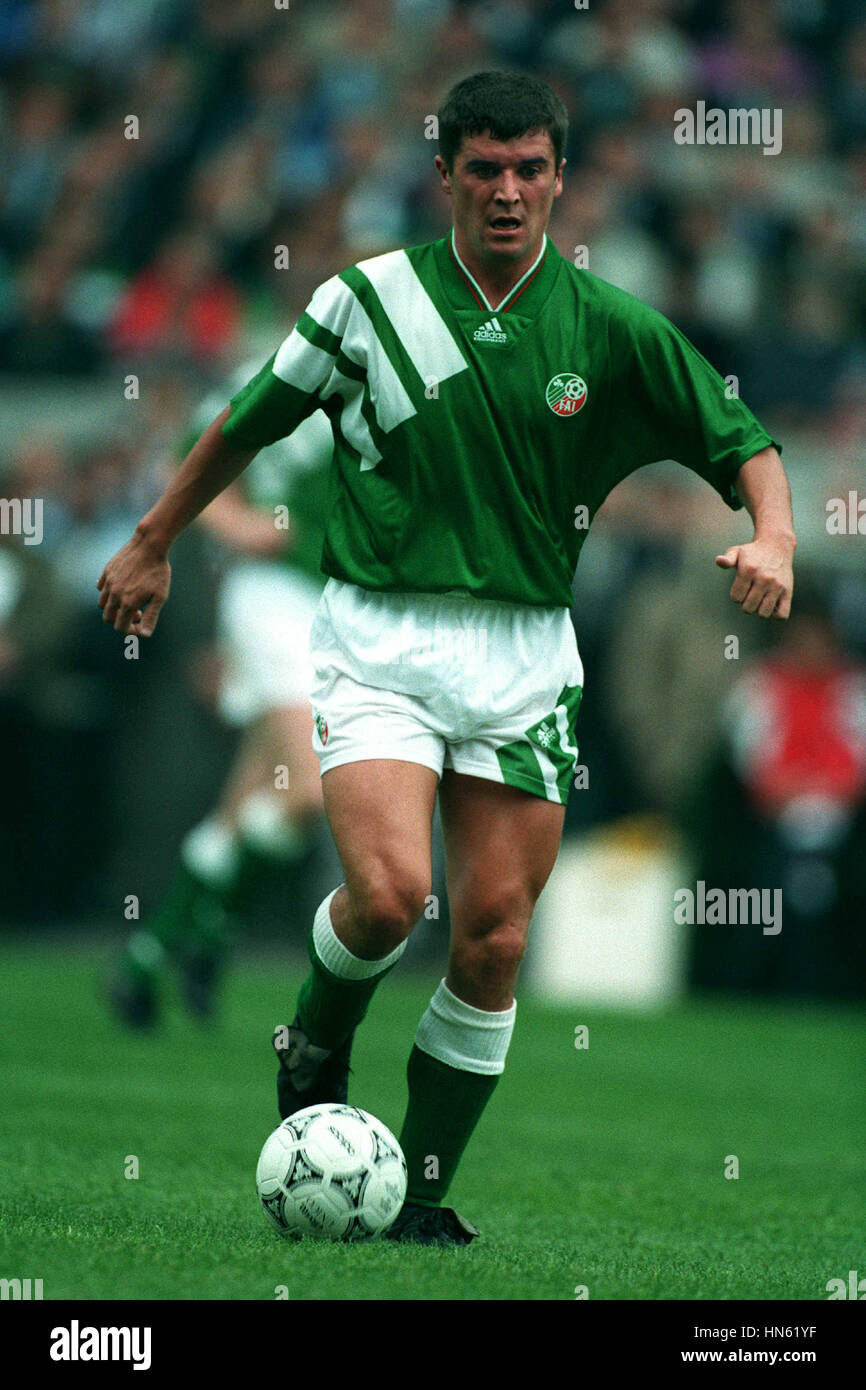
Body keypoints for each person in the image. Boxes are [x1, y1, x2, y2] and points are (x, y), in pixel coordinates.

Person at [97, 70, 796, 1246]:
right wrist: (154, 539)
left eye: (530, 169)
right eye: (484, 169)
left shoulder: (608, 325)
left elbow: (742, 441)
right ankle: (314, 1043)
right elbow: (246, 421)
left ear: (560, 178)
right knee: (387, 896)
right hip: (379, 635)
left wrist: (772, 533)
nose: (509, 191)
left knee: (495, 938)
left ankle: (420, 1196)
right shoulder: (363, 301)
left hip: (525, 652)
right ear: (445, 177)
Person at [108, 373, 332, 1025]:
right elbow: (183, 455)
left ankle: (148, 959)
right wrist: (234, 523)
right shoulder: (286, 366)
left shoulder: (409, 373)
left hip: (344, 606)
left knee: (252, 800)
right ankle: (208, 935)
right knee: (311, 790)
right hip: (279, 596)